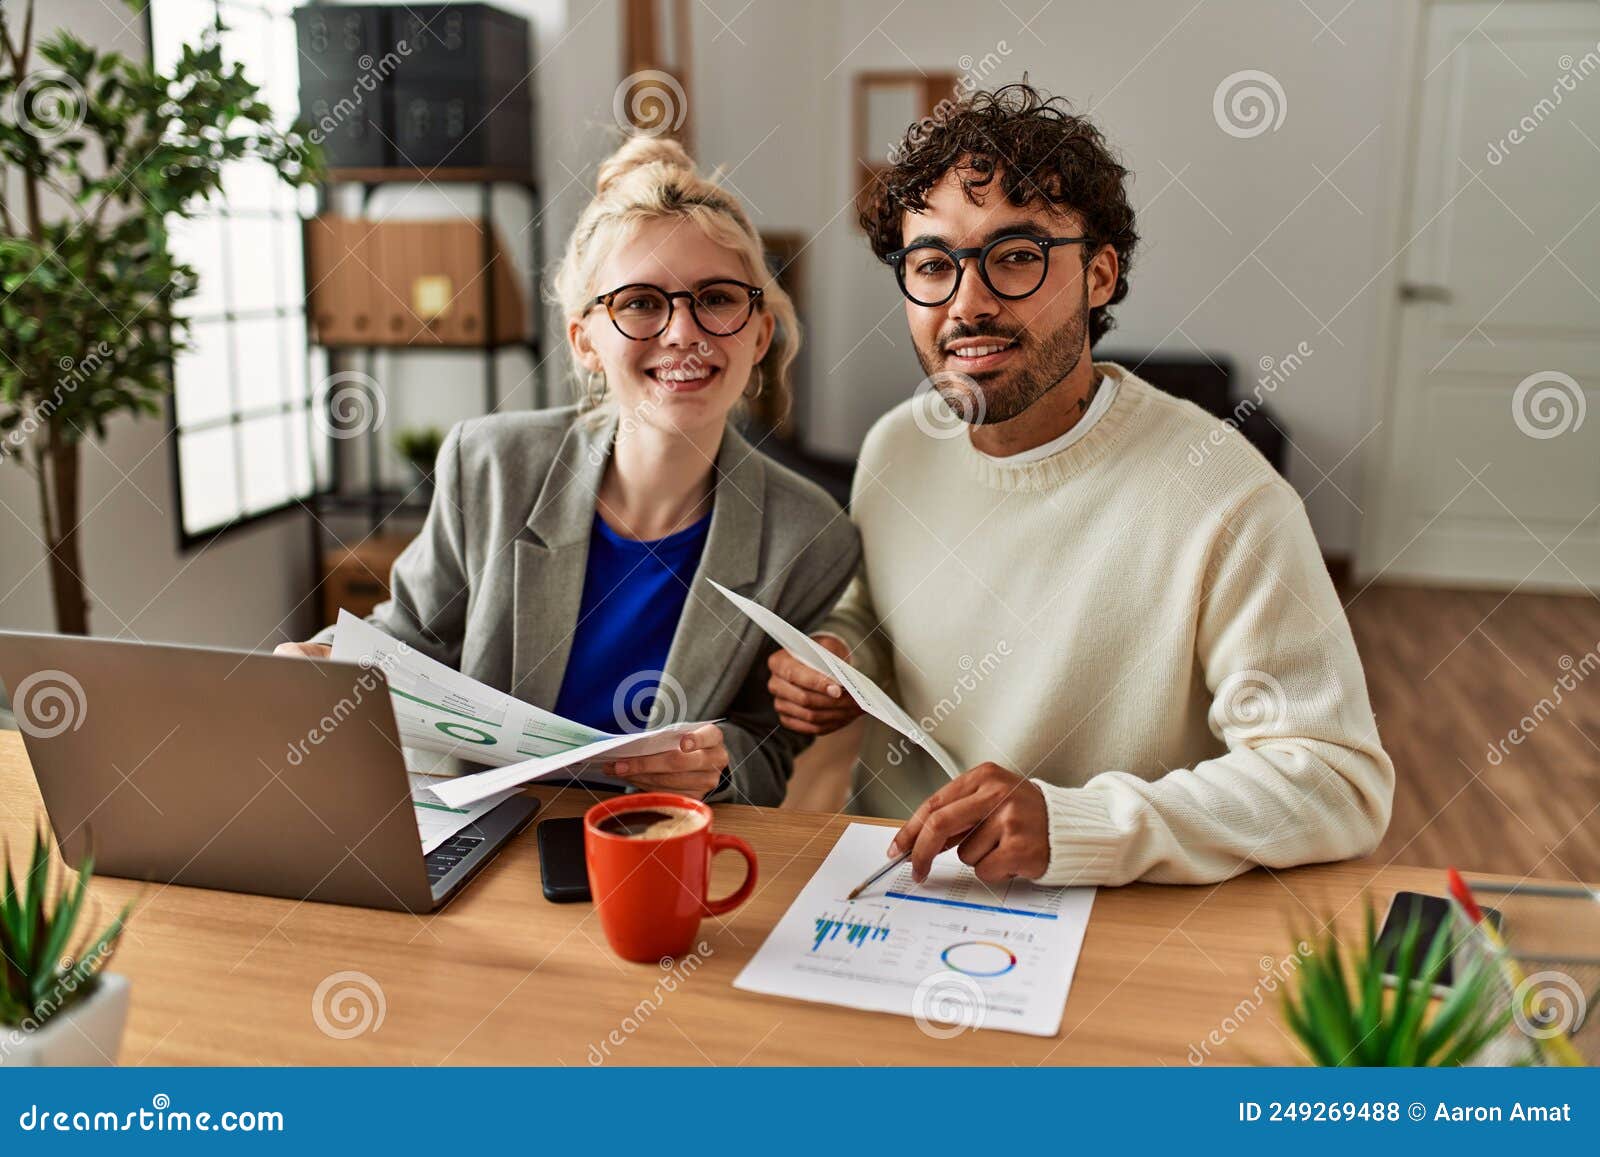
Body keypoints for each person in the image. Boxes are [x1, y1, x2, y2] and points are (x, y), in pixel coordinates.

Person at [767, 84, 1393, 885]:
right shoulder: (897, 447)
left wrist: (1079, 824)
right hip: (893, 879)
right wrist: (840, 655)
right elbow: (878, 612)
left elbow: (1335, 781)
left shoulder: (1226, 497)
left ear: (1100, 274)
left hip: (1110, 919)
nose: (969, 302)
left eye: (1018, 256)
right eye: (932, 264)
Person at [278, 136, 860, 804]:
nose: (682, 332)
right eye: (641, 302)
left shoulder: (811, 533)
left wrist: (722, 767)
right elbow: (407, 641)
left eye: (718, 298)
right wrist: (325, 661)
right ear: (586, 341)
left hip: (663, 848)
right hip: (485, 836)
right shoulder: (489, 465)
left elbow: (772, 744)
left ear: (758, 333)